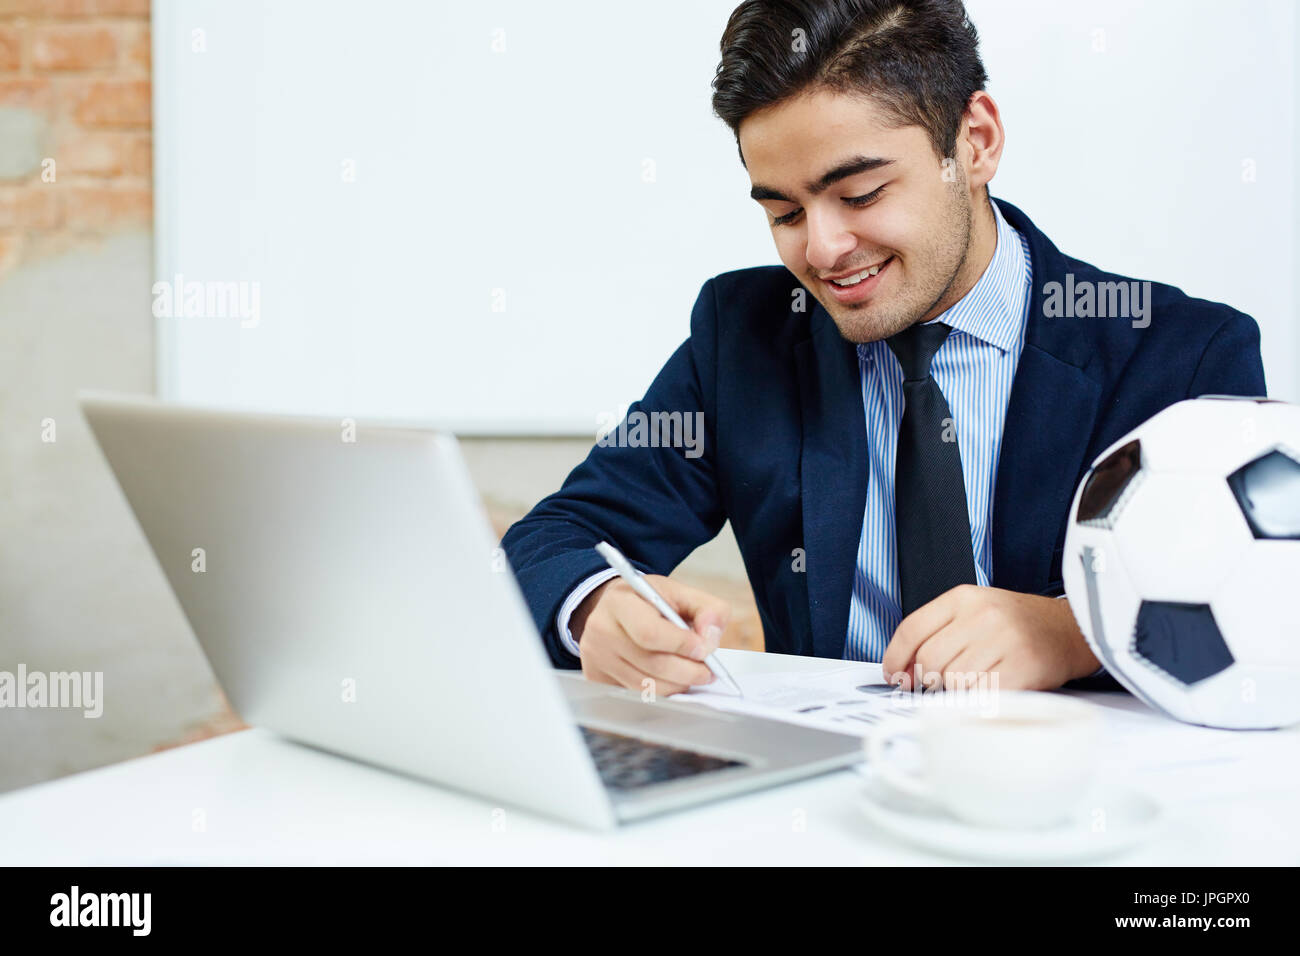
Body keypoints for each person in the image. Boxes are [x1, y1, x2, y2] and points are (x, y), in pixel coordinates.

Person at [500, 0, 1265, 697]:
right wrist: (597, 606)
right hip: (827, 804)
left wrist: (1070, 633)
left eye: (860, 195)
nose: (825, 249)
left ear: (976, 142)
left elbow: (1260, 602)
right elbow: (555, 537)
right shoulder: (744, 338)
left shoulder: (1182, 353)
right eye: (784, 211)